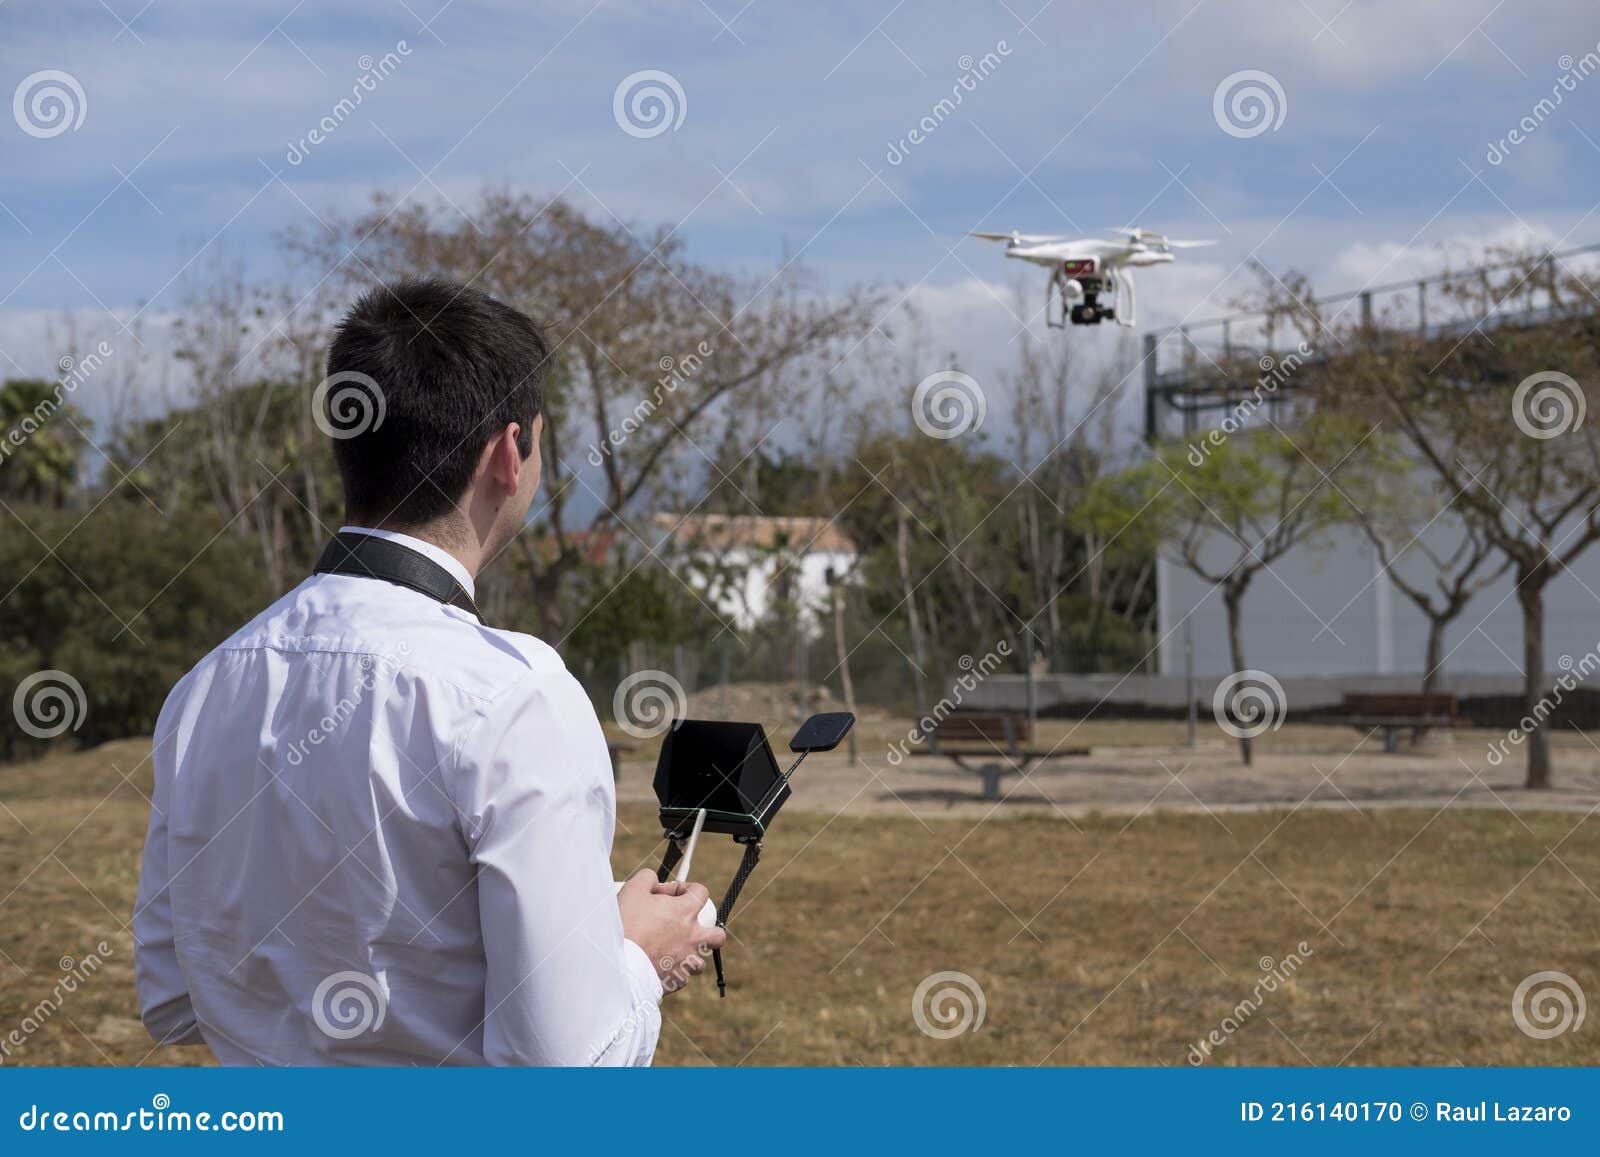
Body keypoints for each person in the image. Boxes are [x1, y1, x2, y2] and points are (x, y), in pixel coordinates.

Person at [133, 278, 722, 1066]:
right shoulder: (516, 696)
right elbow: (566, 1067)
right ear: (508, 455)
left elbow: (173, 994)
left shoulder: (206, 684)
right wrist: (636, 958)